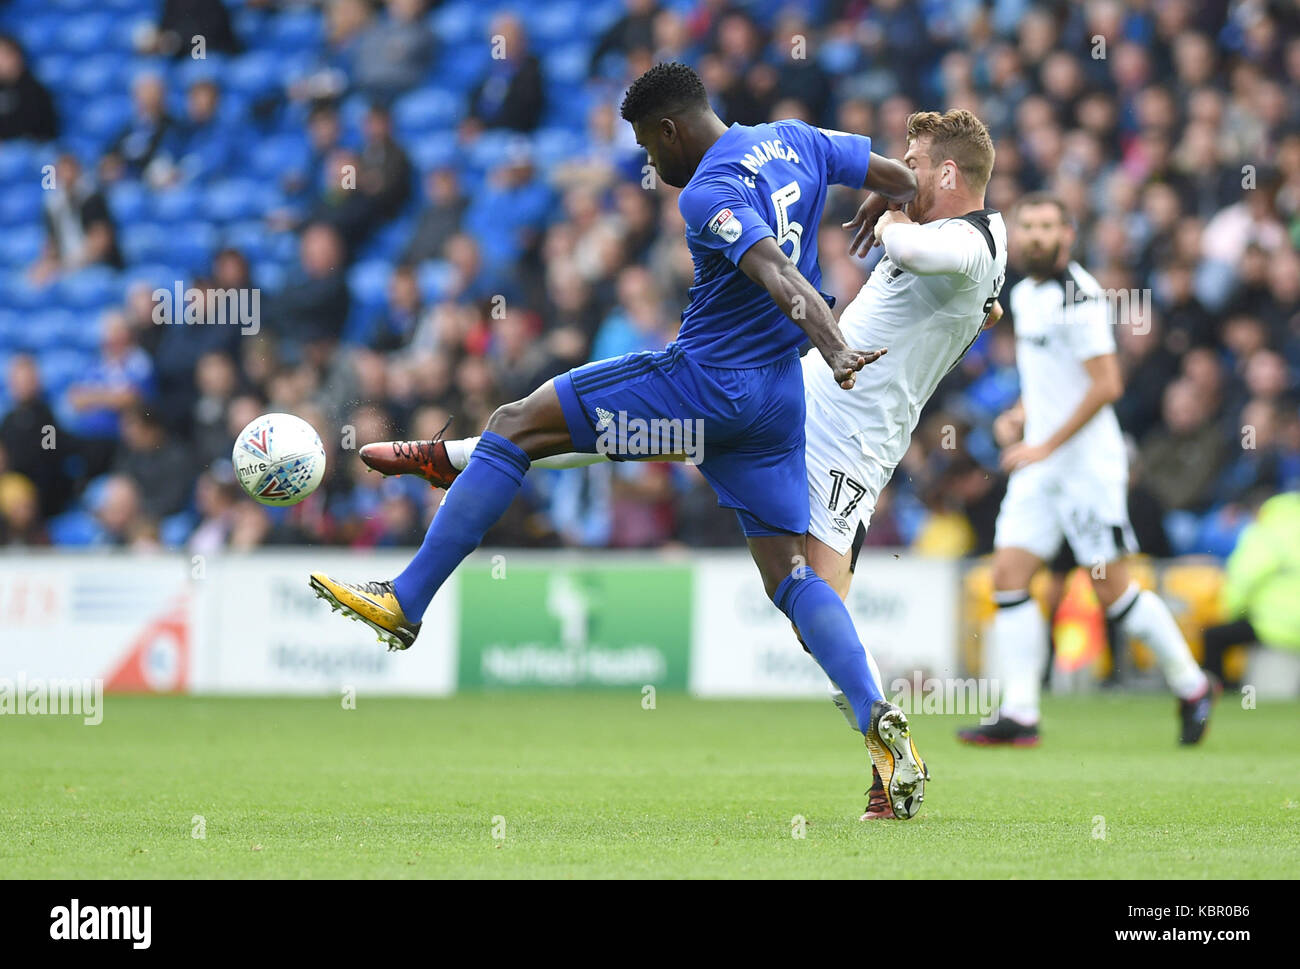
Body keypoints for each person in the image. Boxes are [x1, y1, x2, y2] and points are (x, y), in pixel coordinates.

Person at [311, 62, 931, 820]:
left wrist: (834, 345)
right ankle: (877, 717)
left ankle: (407, 598)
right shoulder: (796, 138)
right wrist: (889, 198)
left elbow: (778, 274)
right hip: (774, 402)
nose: (648, 163)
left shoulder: (708, 189)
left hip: (704, 387)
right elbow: (903, 175)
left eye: (646, 144)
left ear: (672, 130)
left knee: (515, 424)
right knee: (792, 576)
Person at [957, 193, 1217, 748]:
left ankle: (1194, 686)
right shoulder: (1024, 295)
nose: (1036, 236)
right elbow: (1052, 379)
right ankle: (1021, 714)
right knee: (1007, 576)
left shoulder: (1082, 296)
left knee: (1111, 591)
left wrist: (1042, 443)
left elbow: (1107, 385)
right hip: (1042, 465)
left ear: (1068, 236)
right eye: (1028, 226)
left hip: (1085, 469)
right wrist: (1020, 416)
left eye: (1048, 227)